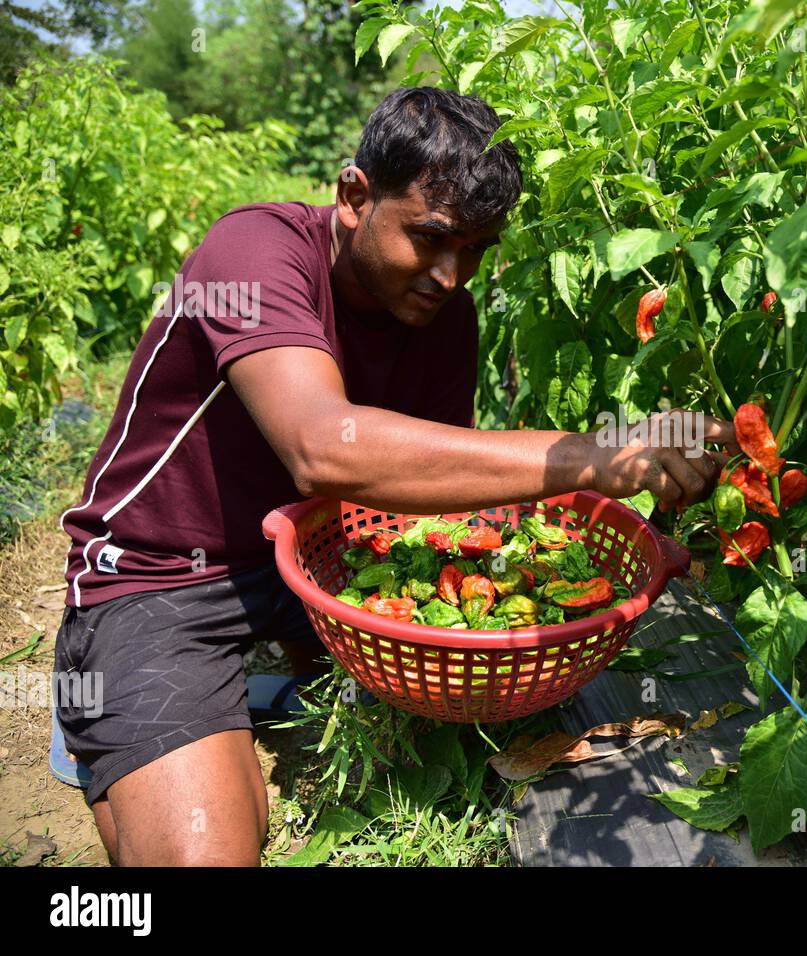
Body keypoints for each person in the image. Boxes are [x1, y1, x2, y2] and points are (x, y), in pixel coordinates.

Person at [52, 86, 736, 866]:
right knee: (210, 852)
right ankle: (108, 712)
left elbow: (432, 492)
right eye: (431, 237)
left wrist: (629, 560)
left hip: (326, 557)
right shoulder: (252, 254)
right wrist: (597, 453)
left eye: (477, 249)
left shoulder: (445, 317)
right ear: (353, 196)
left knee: (451, 706)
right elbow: (325, 449)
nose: (452, 275)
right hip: (163, 573)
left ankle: (241, 690)